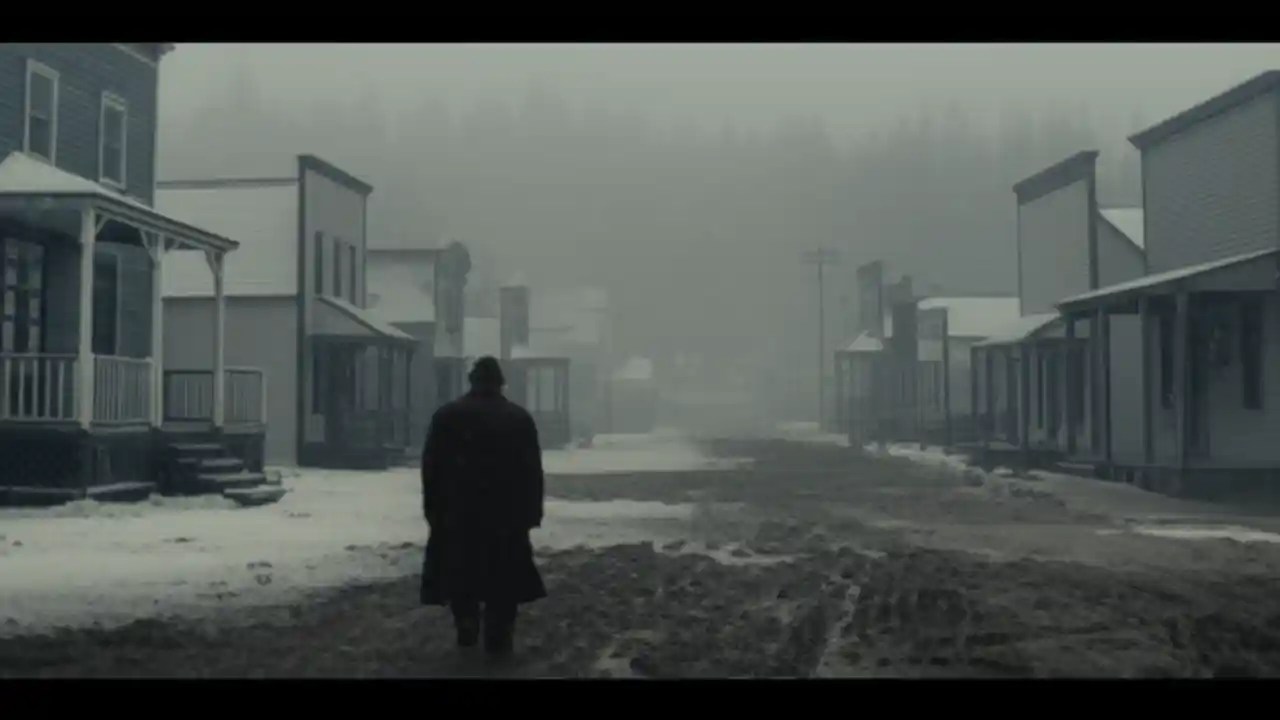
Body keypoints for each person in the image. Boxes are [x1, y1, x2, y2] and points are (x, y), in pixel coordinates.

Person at [420, 356, 546, 657]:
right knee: (504, 580)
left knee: (461, 574)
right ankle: (499, 634)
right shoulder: (518, 419)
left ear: (472, 381)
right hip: (505, 516)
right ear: (500, 383)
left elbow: (431, 469)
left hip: (458, 513)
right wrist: (531, 513)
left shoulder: (447, 417)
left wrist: (433, 511)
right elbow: (531, 471)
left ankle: (466, 621)